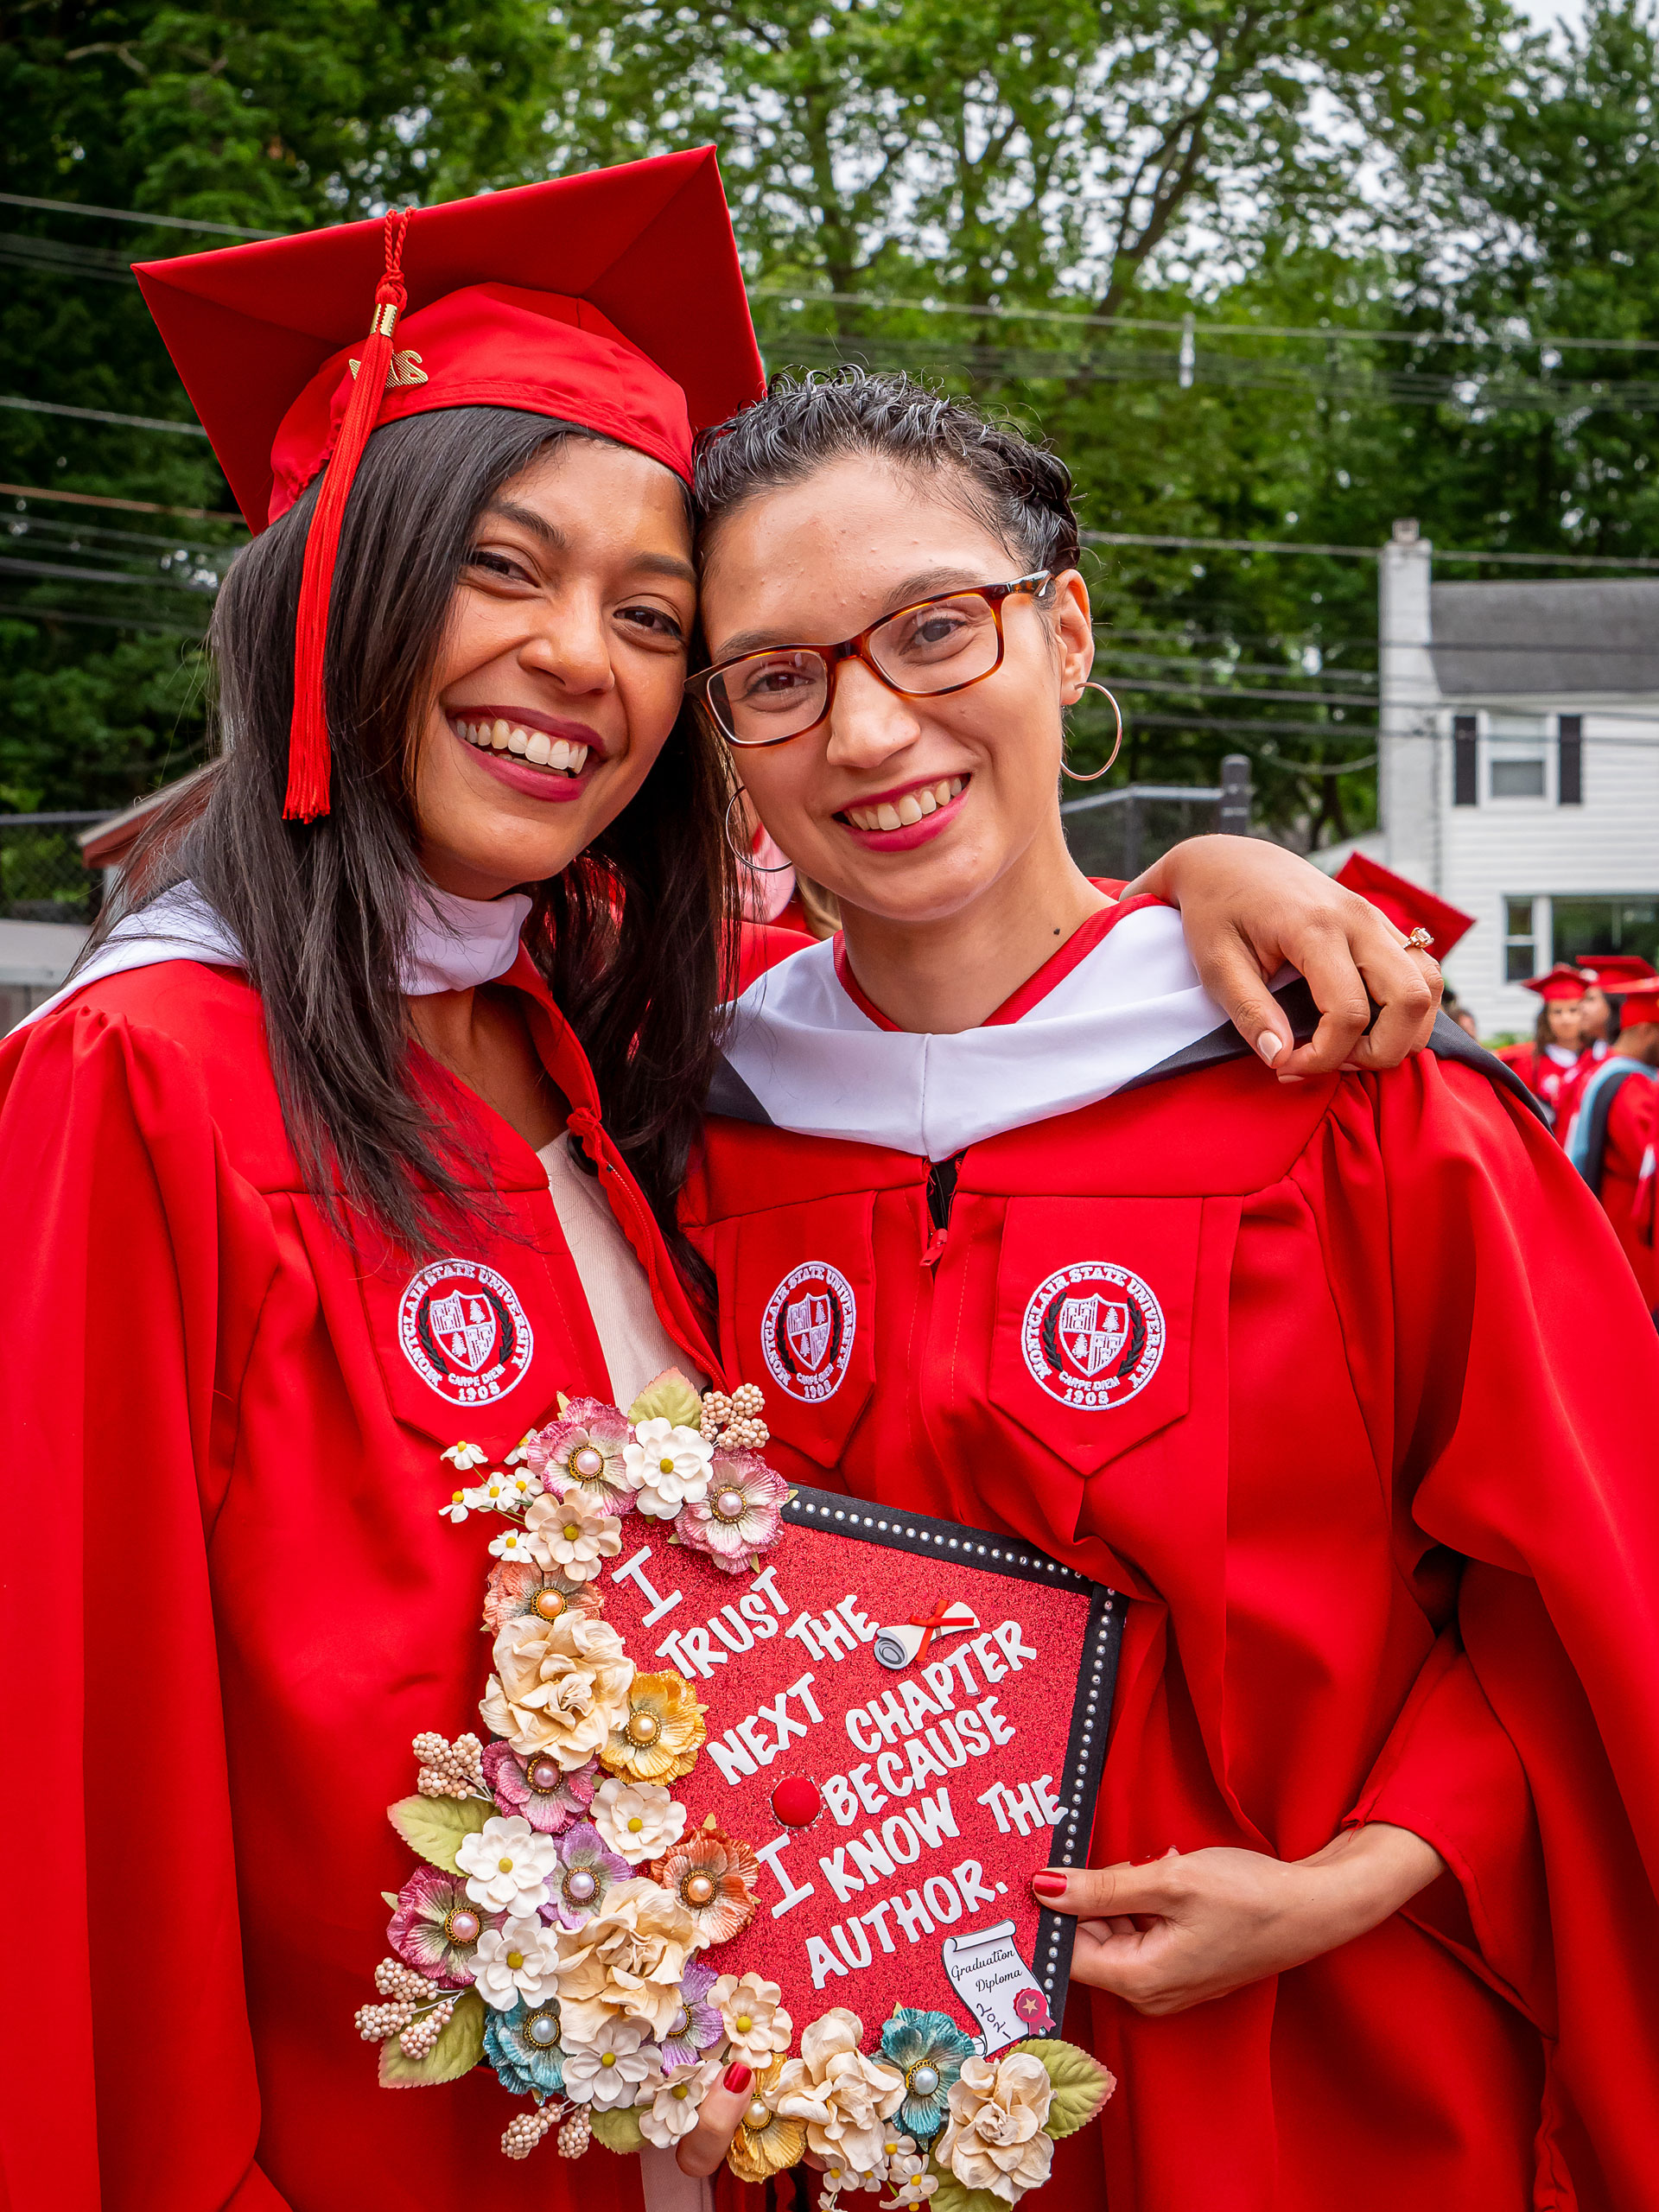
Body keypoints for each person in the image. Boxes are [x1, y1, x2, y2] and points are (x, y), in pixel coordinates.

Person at [0, 180, 1448, 2212]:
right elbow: (67, 1789)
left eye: (656, 619)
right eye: (502, 566)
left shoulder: (603, 1051)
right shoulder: (137, 1079)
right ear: (333, 593)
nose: (578, 659)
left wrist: (1198, 877)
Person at [675, 368, 1659, 2209]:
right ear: (722, 733)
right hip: (856, 2114)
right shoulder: (687, 1134)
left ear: (1062, 629)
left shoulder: (1354, 1111)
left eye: (933, 629)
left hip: (1324, 2072)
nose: (871, 727)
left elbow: (1592, 1594)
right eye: (778, 677)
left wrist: (1360, 1870)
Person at [1565, 971, 1659, 1305]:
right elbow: (1646, 1160)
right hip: (1631, 1237)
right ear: (1646, 1030)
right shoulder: (1631, 1087)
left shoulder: (1607, 1072)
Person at [1495, 962, 1587, 1116]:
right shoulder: (1528, 1063)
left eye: (1573, 1010)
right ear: (1546, 1018)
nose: (1566, 1019)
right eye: (1557, 1012)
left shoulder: (1596, 1059)